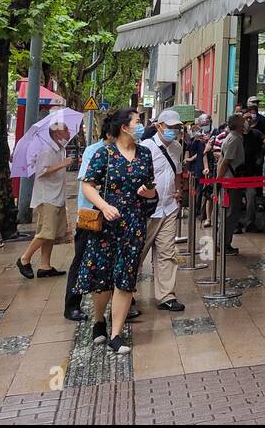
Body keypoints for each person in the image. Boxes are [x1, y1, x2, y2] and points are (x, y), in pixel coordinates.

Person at [76, 108, 156, 353]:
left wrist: (148, 192)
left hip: (134, 224)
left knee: (126, 276)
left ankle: (116, 333)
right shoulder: (104, 154)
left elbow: (151, 188)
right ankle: (99, 320)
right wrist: (104, 205)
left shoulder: (144, 154)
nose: (140, 125)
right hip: (107, 225)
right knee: (103, 277)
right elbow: (88, 185)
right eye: (137, 122)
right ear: (124, 127)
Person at [65, 121, 114, 321]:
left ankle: (122, 305)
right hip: (91, 215)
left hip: (114, 215)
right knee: (82, 259)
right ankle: (71, 305)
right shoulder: (93, 151)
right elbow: (87, 181)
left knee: (114, 260)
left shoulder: (124, 151)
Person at [141, 109, 186, 312]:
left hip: (169, 207)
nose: (174, 131)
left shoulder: (177, 147)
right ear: (159, 126)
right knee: (138, 252)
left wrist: (178, 191)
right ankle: (126, 292)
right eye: (170, 127)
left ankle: (166, 295)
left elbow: (177, 172)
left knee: (167, 252)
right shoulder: (145, 148)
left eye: (177, 128)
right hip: (148, 210)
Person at [16, 120, 73, 280]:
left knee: (52, 234)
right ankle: (24, 258)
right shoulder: (47, 150)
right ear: (56, 134)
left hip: (56, 196)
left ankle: (44, 265)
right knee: (46, 232)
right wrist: (63, 164)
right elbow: (42, 171)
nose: (69, 133)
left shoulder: (59, 149)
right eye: (66, 130)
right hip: (47, 197)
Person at [214, 113, 246, 254]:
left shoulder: (233, 138)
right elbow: (226, 161)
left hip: (231, 181)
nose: (245, 124)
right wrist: (219, 181)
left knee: (229, 213)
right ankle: (224, 244)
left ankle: (224, 242)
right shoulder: (234, 139)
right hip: (230, 182)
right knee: (230, 214)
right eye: (243, 121)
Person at [237, 108, 265, 234]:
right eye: (246, 118)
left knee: (251, 198)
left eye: (250, 118)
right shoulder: (236, 135)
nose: (249, 120)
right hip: (237, 175)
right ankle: (236, 223)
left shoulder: (256, 133)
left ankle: (250, 223)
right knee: (237, 201)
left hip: (251, 174)